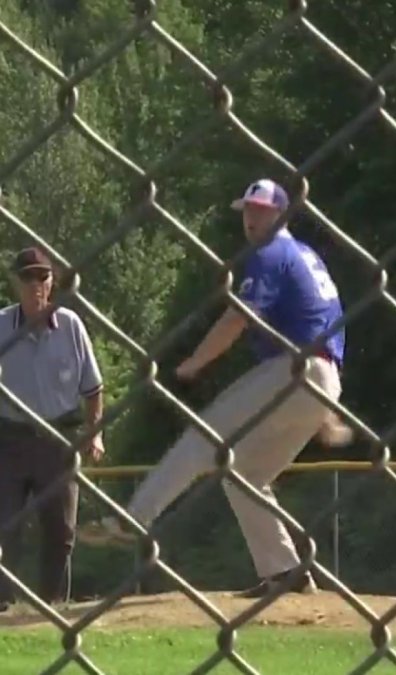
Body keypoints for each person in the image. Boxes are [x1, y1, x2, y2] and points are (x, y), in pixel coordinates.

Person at [78, 178, 351, 598]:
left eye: (260, 210)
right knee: (244, 474)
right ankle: (284, 573)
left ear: (281, 214)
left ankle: (131, 520)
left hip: (298, 371)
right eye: (248, 209)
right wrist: (323, 403)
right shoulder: (306, 255)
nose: (252, 217)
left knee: (202, 435)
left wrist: (192, 364)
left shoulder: (270, 252)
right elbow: (326, 327)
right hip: (320, 379)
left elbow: (237, 319)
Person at [0, 247, 105, 612]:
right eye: (26, 277)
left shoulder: (71, 326)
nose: (35, 285)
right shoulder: (1, 326)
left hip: (59, 438)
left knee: (61, 530)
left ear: (52, 282)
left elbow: (93, 389)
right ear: (15, 282)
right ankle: (2, 604)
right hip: (9, 437)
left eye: (41, 277)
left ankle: (52, 605)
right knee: (5, 525)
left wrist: (95, 433)